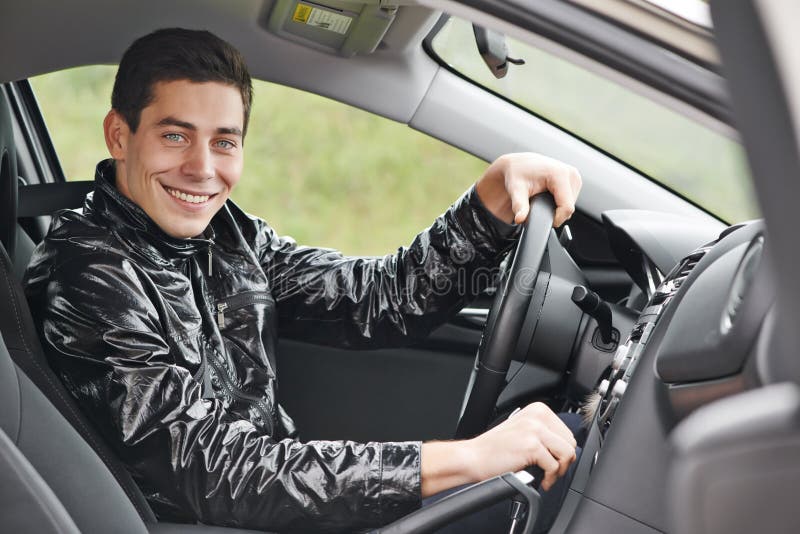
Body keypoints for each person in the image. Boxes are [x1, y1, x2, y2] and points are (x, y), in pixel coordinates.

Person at [24, 28, 582, 532]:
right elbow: (215, 472)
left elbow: (376, 300)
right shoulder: (88, 274)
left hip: (273, 507)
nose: (203, 169)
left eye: (224, 141)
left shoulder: (225, 235)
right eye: (175, 136)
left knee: (567, 455)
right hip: (216, 519)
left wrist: (488, 201)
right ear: (119, 136)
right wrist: (466, 459)